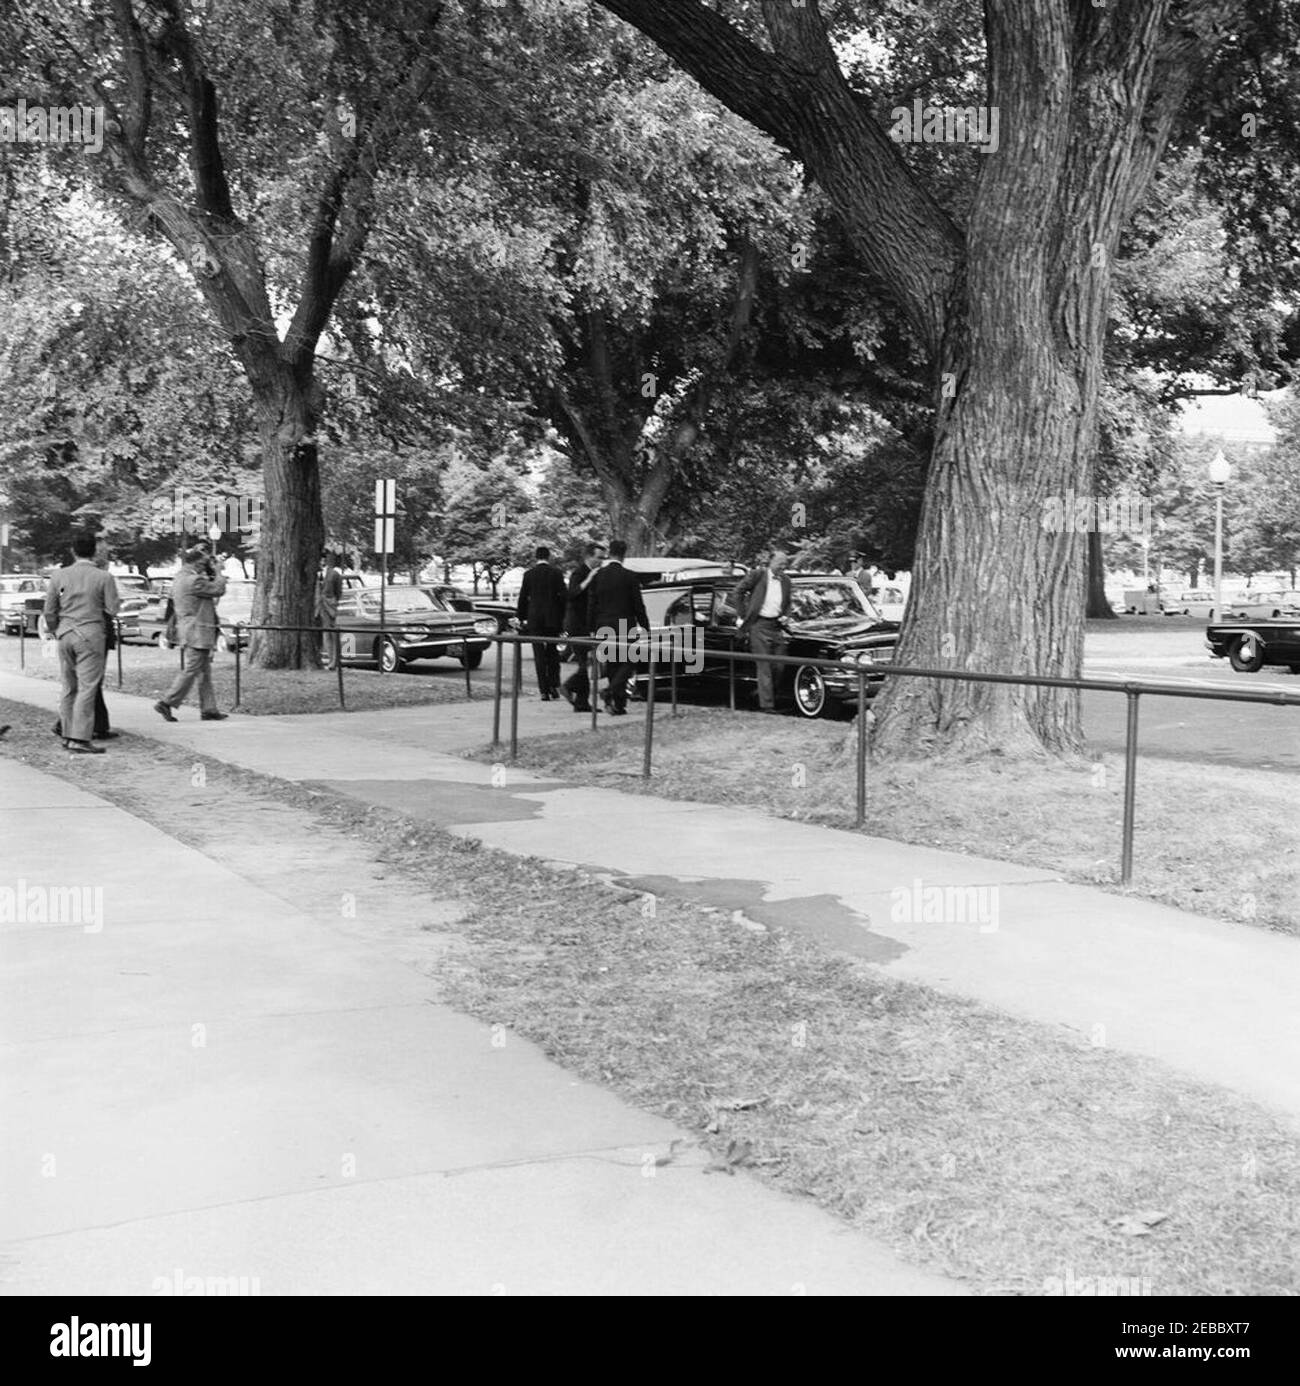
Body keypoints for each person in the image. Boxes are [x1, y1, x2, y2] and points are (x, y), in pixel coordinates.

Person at [42, 532, 119, 754]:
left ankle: (67, 734)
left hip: (65, 632)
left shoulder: (59, 576)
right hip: (90, 633)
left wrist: (57, 628)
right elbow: (113, 609)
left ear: (73, 551)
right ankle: (80, 738)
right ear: (94, 551)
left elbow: (49, 610)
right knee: (87, 687)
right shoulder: (103, 577)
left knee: (68, 686)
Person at [153, 547, 229, 723]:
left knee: (204, 671)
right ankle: (167, 701)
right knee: (193, 668)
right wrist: (218, 572)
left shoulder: (180, 577)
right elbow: (218, 589)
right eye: (202, 563)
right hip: (197, 631)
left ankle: (209, 709)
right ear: (195, 563)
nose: (204, 566)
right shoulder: (194, 581)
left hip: (191, 629)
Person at [586, 538, 648, 716]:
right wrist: (645, 626)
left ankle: (617, 704)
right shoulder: (629, 576)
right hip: (625, 624)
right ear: (624, 555)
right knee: (630, 660)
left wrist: (591, 627)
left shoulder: (598, 575)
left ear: (609, 553)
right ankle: (613, 695)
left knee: (613, 664)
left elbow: (592, 604)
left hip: (603, 624)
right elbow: (638, 605)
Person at [731, 547, 793, 713]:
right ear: (771, 561)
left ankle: (765, 694)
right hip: (758, 625)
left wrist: (786, 615)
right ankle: (767, 705)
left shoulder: (786, 580)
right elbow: (738, 591)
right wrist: (742, 615)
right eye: (780, 563)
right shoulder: (758, 575)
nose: (783, 566)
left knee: (780, 664)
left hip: (776, 626)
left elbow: (788, 603)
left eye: (785, 564)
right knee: (764, 666)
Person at [517, 546, 568, 700]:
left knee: (539, 655)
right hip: (553, 619)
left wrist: (521, 617)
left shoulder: (529, 575)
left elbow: (523, 597)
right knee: (553, 654)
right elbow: (563, 597)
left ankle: (543, 690)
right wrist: (562, 617)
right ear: (549, 557)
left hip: (535, 619)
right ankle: (554, 685)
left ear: (536, 557)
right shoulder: (556, 574)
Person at [560, 542, 606, 712]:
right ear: (589, 556)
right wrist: (589, 578)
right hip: (577, 624)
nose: (601, 561)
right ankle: (568, 687)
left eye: (603, 558)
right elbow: (572, 594)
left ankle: (581, 702)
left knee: (584, 662)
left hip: (586, 624)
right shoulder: (579, 573)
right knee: (582, 662)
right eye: (598, 557)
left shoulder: (594, 574)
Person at [317, 550, 344, 663]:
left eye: (323, 559)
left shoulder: (334, 574)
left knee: (329, 634)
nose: (321, 561)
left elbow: (338, 592)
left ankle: (333, 660)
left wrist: (332, 602)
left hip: (328, 607)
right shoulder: (311, 573)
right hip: (316, 607)